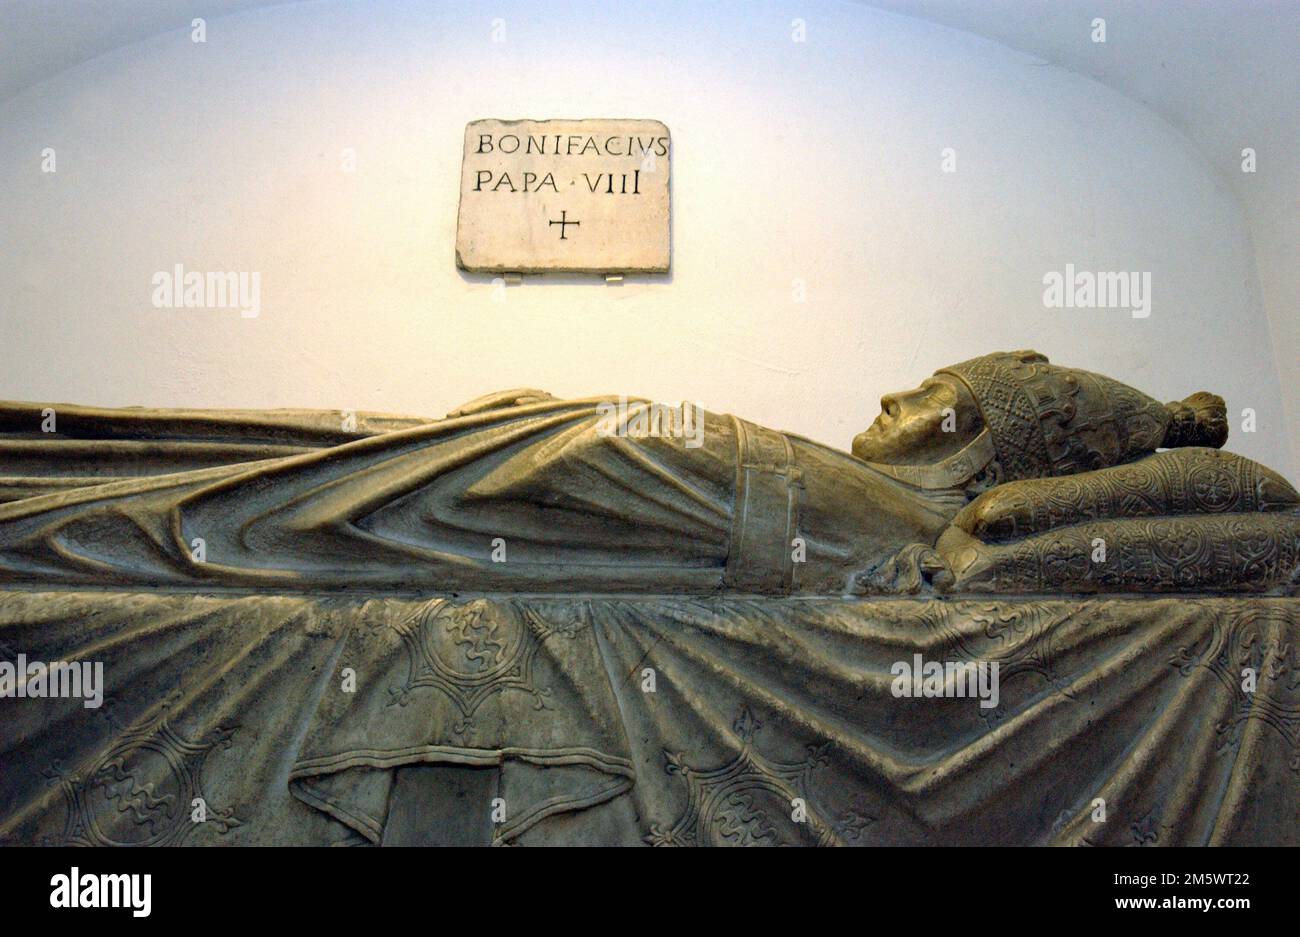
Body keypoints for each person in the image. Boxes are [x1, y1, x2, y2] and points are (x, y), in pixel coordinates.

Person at [0, 350, 1294, 594]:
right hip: (593, 458)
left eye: (925, 398)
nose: (889, 400)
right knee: (308, 448)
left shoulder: (954, 527)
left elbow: (1263, 515)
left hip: (615, 488)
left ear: (974, 441)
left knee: (273, 516)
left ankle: (69, 530)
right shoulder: (894, 500)